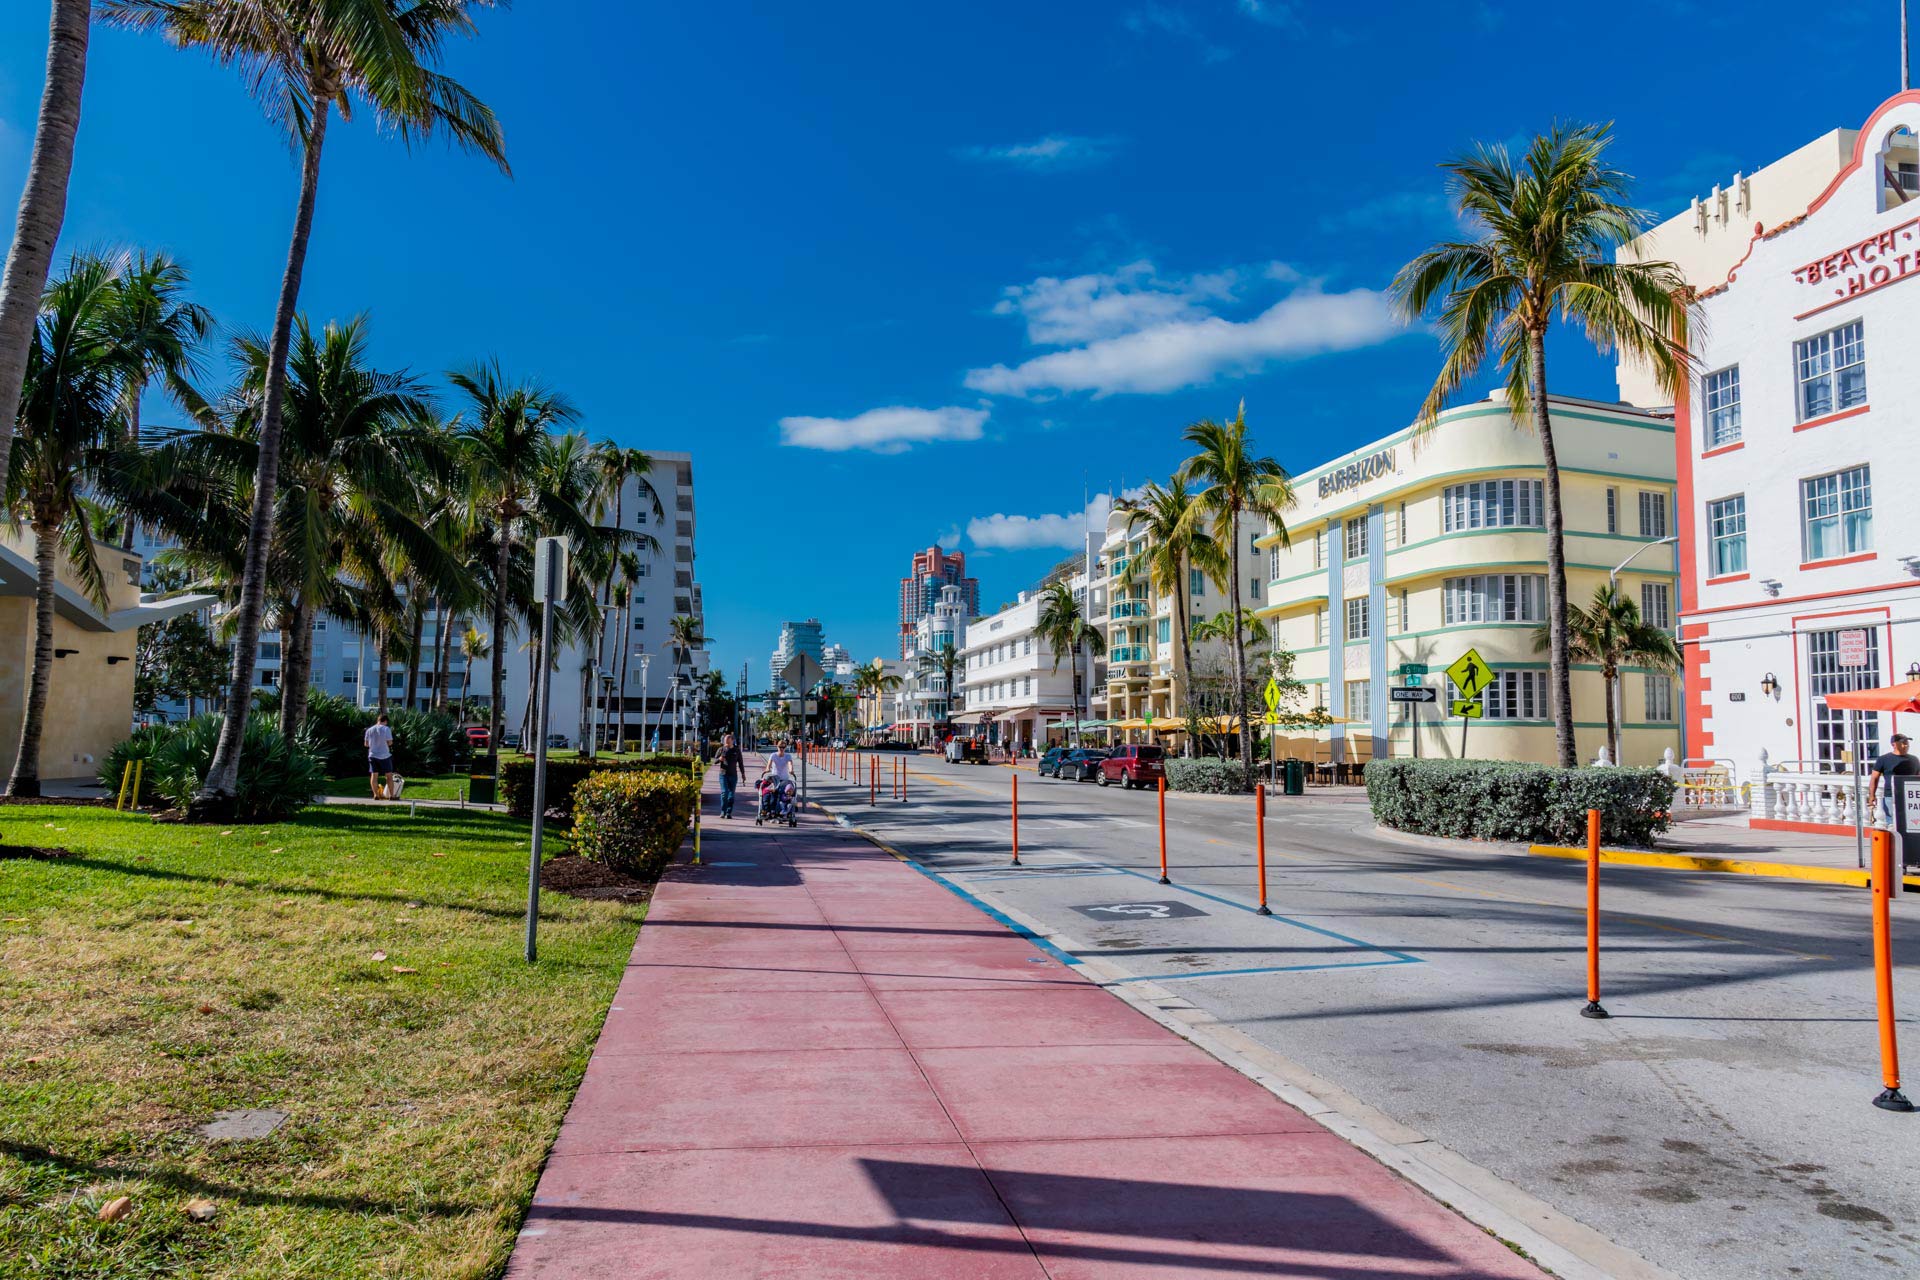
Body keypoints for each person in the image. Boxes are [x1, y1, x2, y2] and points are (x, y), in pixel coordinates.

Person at [1869, 733, 1917, 827]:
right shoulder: (1883, 759)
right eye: (1903, 743)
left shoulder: (1914, 759)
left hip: (1910, 796)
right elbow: (1874, 778)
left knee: (1911, 823)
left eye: (1907, 743)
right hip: (1891, 795)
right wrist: (1871, 795)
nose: (1906, 745)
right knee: (1893, 823)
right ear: (1894, 744)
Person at [364, 712, 395, 800]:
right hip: (384, 755)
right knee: (389, 776)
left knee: (374, 776)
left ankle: (376, 795)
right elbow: (390, 742)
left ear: (378, 720)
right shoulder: (386, 729)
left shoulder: (369, 730)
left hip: (372, 755)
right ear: (385, 721)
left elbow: (366, 744)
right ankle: (391, 795)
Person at [717, 733, 745, 818]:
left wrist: (743, 774)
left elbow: (740, 763)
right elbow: (715, 760)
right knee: (724, 793)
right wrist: (719, 759)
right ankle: (723, 811)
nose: (727, 743)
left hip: (733, 775)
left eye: (728, 742)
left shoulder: (736, 750)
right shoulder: (721, 749)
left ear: (732, 741)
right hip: (723, 774)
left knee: (731, 795)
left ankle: (728, 812)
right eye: (725, 742)